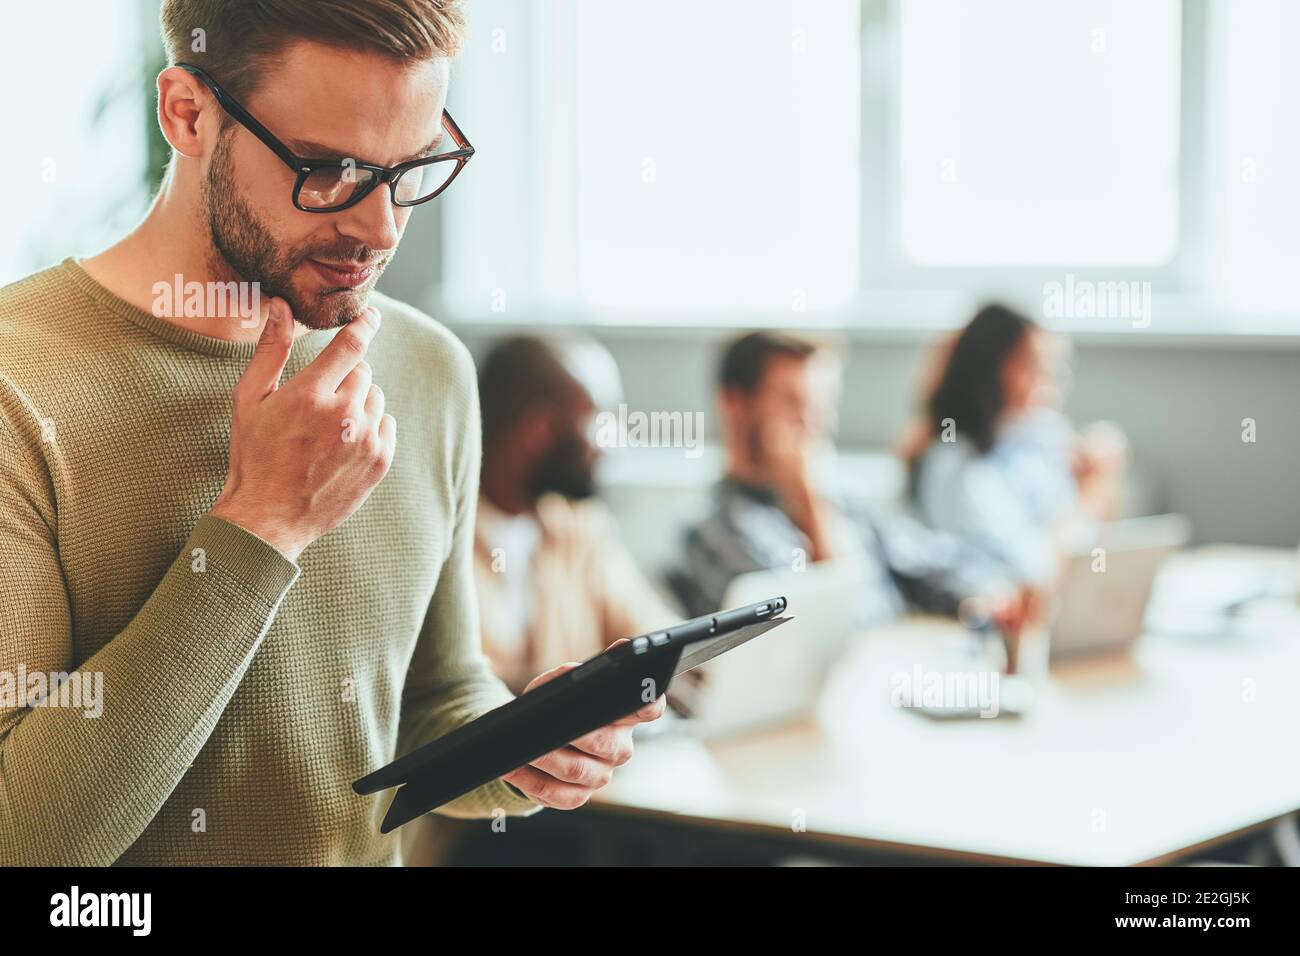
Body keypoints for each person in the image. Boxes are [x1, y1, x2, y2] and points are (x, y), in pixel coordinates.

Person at [0, 0, 663, 867]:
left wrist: (518, 754)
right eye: (329, 169)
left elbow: (429, 697)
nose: (379, 227)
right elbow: (24, 841)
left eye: (412, 167)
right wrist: (261, 525)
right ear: (186, 113)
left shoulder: (430, 369)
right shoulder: (19, 385)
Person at [670, 331, 1024, 635]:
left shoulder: (847, 497)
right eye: (793, 403)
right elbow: (842, 623)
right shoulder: (715, 534)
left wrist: (982, 596)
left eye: (821, 406)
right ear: (734, 405)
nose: (813, 424)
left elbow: (925, 564)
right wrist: (809, 501)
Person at [472, 335, 681, 695]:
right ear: (541, 430)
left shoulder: (579, 525)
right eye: (599, 421)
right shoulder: (440, 535)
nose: (609, 444)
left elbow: (652, 630)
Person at [905, 304, 1127, 594]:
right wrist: (1089, 500)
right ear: (991, 371)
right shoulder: (956, 465)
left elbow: (1096, 551)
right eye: (1035, 367)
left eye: (1056, 370)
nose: (1051, 385)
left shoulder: (1035, 440)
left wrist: (1099, 479)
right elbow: (1033, 570)